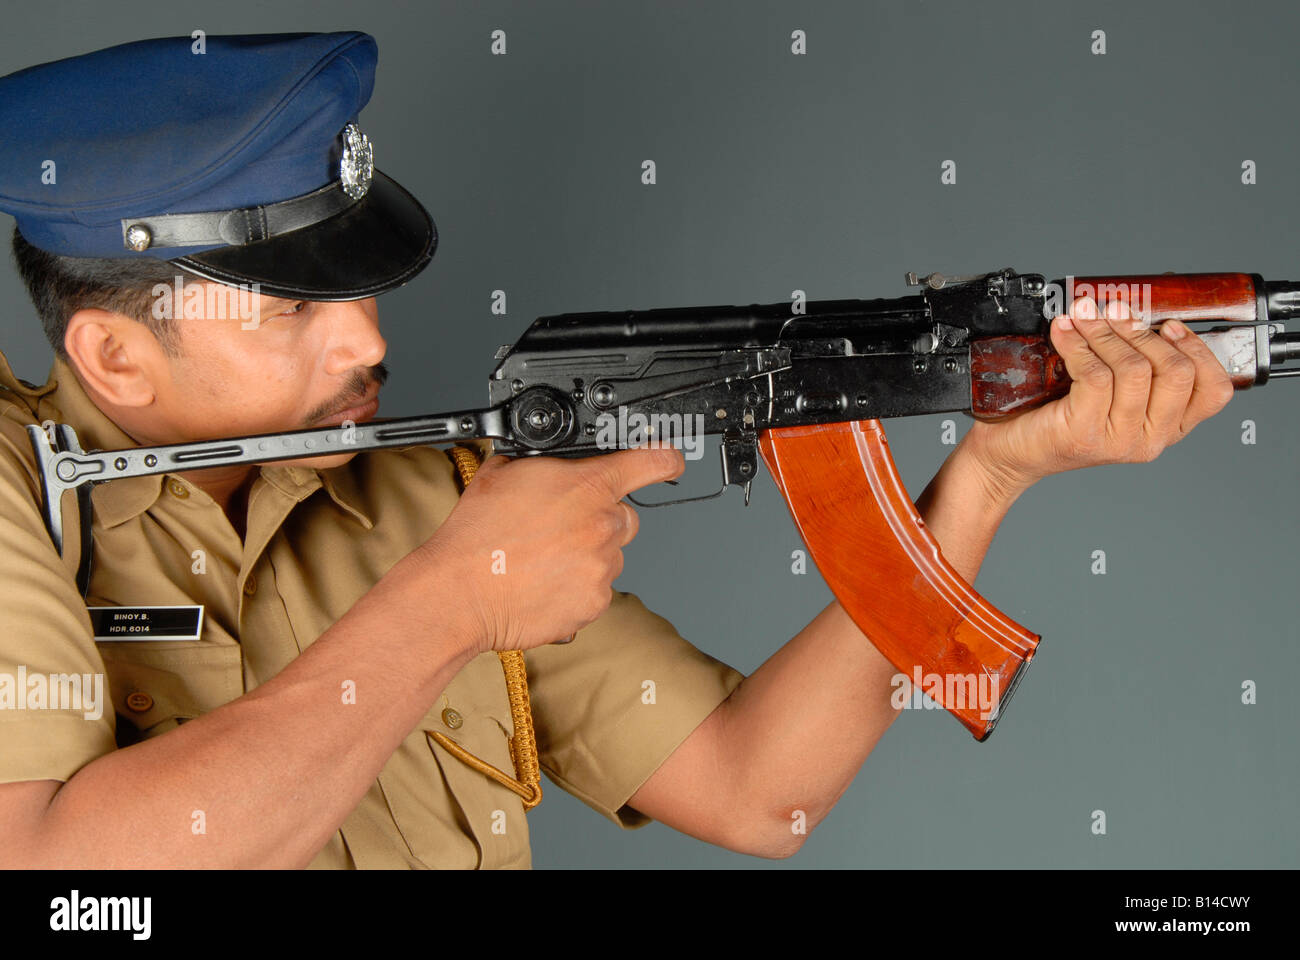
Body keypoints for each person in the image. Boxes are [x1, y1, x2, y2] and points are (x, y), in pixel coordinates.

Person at [0, 32, 1235, 868]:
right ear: (115, 357)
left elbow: (760, 794)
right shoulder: (20, 490)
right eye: (295, 309)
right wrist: (456, 600)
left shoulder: (425, 495)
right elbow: (58, 877)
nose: (369, 340)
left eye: (361, 290)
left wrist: (986, 477)